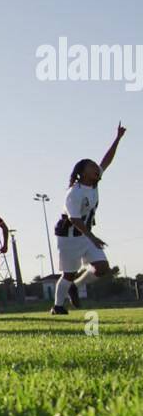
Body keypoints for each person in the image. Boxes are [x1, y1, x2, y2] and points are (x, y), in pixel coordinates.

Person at [51, 123, 127, 315]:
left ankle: (75, 286)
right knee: (67, 274)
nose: (97, 168)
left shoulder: (93, 183)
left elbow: (107, 160)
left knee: (102, 268)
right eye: (92, 166)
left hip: (85, 234)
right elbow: (74, 219)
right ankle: (57, 307)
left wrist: (117, 138)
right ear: (82, 173)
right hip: (68, 236)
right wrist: (92, 237)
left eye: (96, 166)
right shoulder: (74, 193)